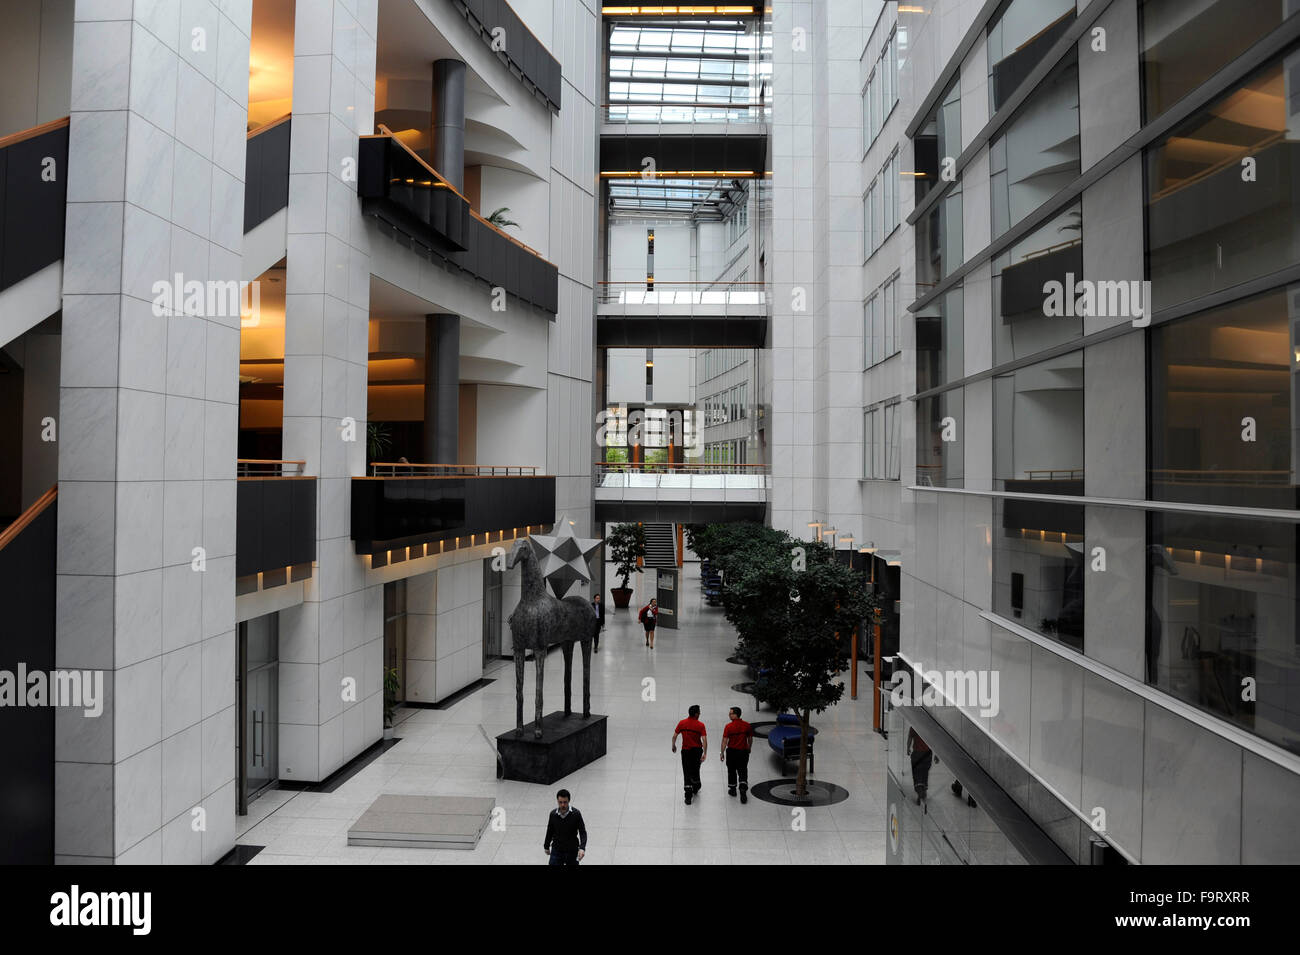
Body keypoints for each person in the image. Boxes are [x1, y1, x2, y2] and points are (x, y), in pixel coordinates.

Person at [671, 705, 707, 804]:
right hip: (697, 751)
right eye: (699, 712)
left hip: (686, 751)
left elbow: (674, 736)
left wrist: (673, 746)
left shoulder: (682, 723)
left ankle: (688, 795)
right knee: (695, 769)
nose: (700, 714)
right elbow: (704, 740)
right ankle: (695, 785)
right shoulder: (700, 725)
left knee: (686, 771)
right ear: (696, 714)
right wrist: (705, 752)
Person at [543, 788, 587, 865]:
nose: (562, 805)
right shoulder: (553, 815)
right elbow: (550, 831)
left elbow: (582, 832)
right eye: (560, 802)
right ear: (557, 801)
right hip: (557, 850)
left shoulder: (576, 814)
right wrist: (546, 846)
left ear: (569, 801)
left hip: (572, 850)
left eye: (565, 802)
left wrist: (582, 848)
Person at [720, 705, 753, 803]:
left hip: (731, 752)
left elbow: (724, 741)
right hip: (743, 752)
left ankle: (733, 789)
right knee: (743, 770)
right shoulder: (747, 725)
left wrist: (722, 753)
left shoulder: (728, 726)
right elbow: (750, 739)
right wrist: (749, 748)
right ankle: (743, 788)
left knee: (731, 770)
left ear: (736, 715)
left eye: (731, 713)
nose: (729, 715)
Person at [906, 727, 933, 806]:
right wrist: (937, 756)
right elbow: (935, 742)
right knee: (925, 773)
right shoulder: (929, 726)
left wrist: (908, 748)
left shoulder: (914, 726)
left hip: (917, 754)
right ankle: (923, 789)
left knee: (917, 775)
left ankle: (919, 791)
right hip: (927, 754)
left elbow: (910, 737)